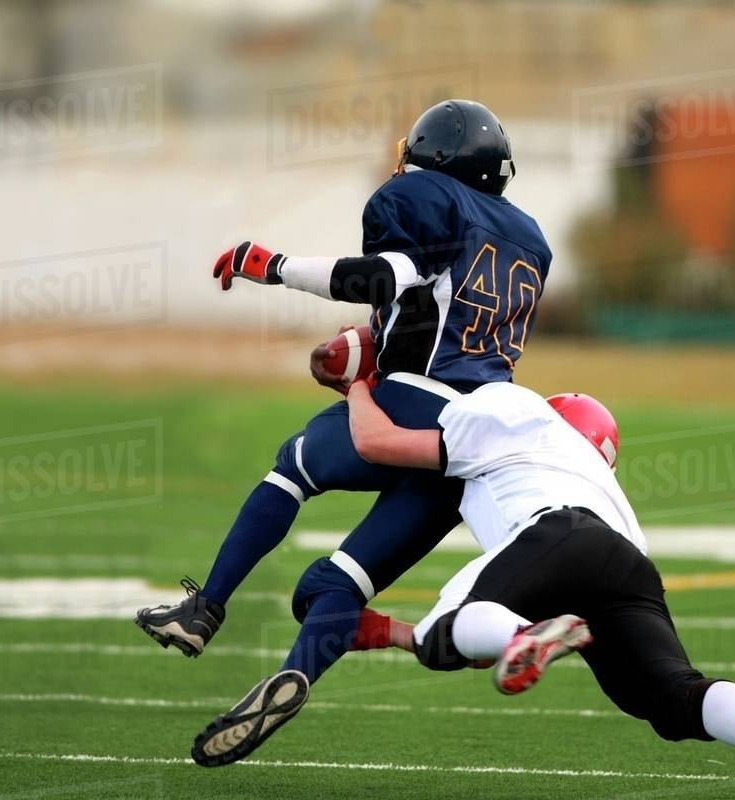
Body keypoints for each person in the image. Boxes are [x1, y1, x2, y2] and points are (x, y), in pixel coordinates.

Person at [130, 100, 553, 766]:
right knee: (338, 584)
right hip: (477, 440)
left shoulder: (424, 195)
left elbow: (379, 278)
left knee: (293, 467)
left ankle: (204, 608)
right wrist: (383, 341)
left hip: (417, 400)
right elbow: (435, 304)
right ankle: (297, 672)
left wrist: (267, 263)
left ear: (435, 157)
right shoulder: (531, 238)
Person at [335, 379, 735, 800]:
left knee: (441, 631)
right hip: (626, 562)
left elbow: (376, 443)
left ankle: (520, 633)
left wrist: (356, 386)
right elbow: (480, 650)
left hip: (551, 533)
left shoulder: (521, 425)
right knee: (671, 695)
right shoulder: (605, 484)